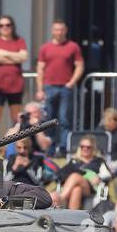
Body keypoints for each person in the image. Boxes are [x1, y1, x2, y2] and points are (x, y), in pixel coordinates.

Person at [35, 20, 83, 153]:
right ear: (52, 31)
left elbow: (79, 66)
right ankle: (49, 147)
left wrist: (71, 83)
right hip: (49, 87)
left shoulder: (73, 47)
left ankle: (63, 148)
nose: (59, 32)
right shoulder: (45, 48)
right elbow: (40, 69)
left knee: (64, 119)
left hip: (65, 88)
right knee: (48, 119)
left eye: (61, 29)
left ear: (65, 31)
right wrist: (40, 89)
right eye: (56, 29)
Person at [0, 15, 28, 138]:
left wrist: (3, 53)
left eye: (8, 25)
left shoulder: (19, 41)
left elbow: (23, 57)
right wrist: (14, 57)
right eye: (1, 25)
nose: (5, 27)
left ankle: (13, 148)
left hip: (15, 85)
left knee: (17, 120)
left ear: (12, 26)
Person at [51, 135, 103, 210]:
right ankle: (72, 217)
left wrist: (99, 178)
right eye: (82, 146)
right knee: (76, 189)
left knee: (75, 176)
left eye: (88, 147)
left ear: (93, 148)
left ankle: (61, 198)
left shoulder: (98, 161)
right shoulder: (74, 161)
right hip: (72, 187)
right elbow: (59, 175)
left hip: (90, 187)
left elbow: (108, 174)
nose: (85, 149)